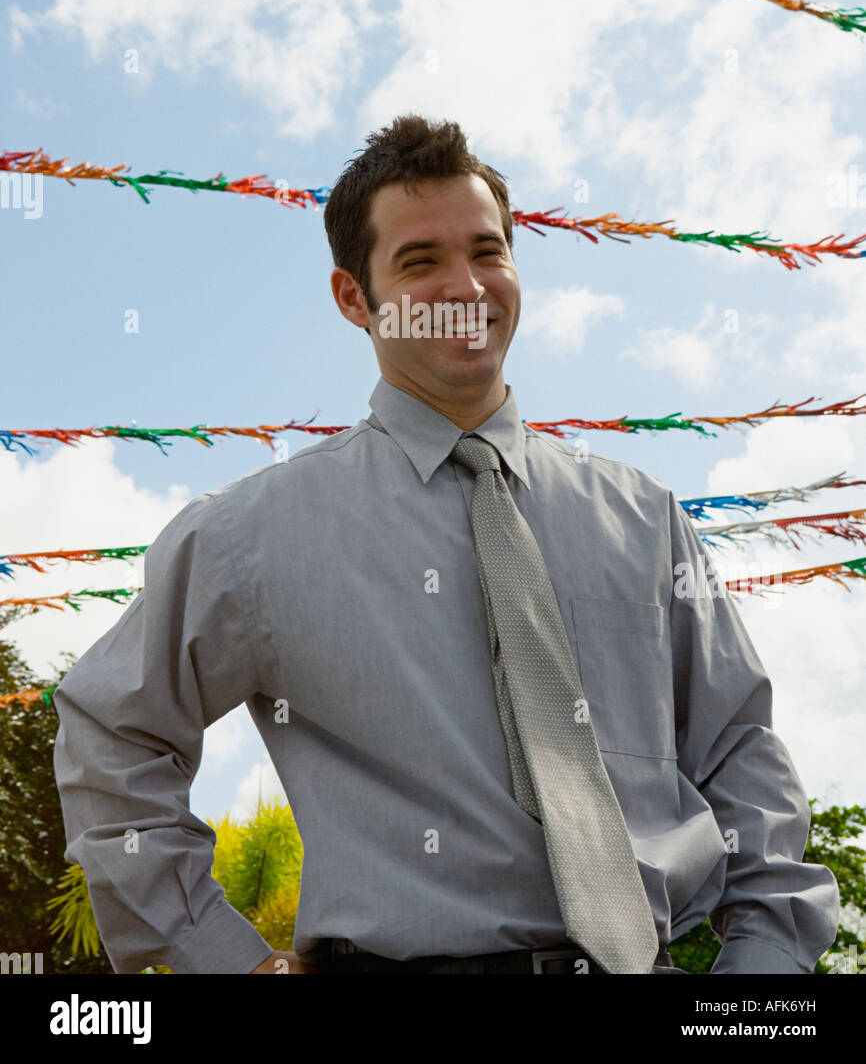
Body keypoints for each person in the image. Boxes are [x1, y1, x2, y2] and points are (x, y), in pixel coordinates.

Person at [53, 113, 839, 975]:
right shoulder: (252, 535)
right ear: (355, 297)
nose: (466, 285)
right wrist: (222, 956)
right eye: (420, 262)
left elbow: (737, 748)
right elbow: (111, 731)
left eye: (488, 251)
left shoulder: (645, 517)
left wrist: (762, 974)